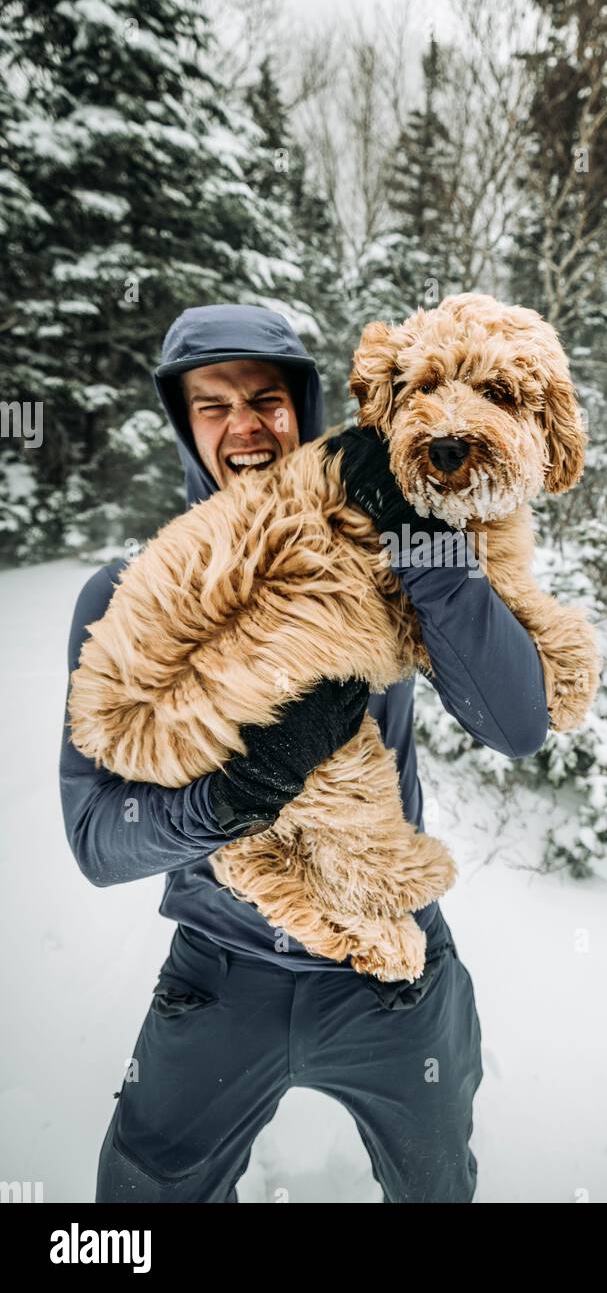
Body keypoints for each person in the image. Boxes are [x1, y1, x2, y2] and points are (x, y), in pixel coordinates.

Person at [60, 303, 551, 1204]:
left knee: (437, 1187)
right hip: (219, 968)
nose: (245, 425)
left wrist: (421, 539)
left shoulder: (385, 541)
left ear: (306, 405)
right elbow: (98, 842)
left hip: (395, 967)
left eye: (268, 398)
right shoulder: (128, 594)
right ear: (183, 424)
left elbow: (516, 723)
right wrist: (235, 794)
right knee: (140, 1201)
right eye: (213, 404)